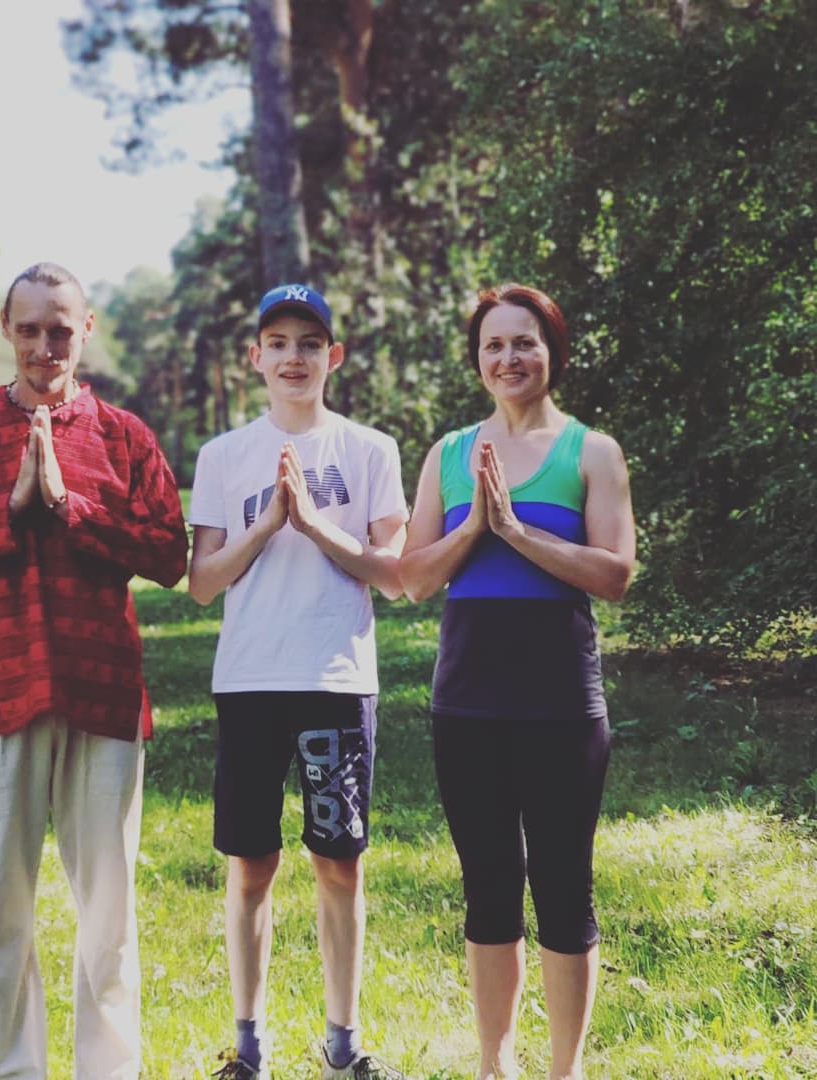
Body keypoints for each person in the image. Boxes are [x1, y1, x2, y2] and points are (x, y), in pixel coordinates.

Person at [0, 262, 188, 1080]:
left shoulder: (125, 437)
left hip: (102, 694)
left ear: (87, 329)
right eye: (29, 329)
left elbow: (169, 553)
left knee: (109, 923)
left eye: (60, 329)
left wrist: (68, 506)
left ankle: (108, 1071)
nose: (45, 346)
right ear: (5, 328)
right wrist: (6, 511)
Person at [399, 284, 635, 1080]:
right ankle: (494, 1066)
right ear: (477, 360)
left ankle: (564, 1070)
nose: (509, 358)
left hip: (562, 704)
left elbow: (614, 574)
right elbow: (413, 578)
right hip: (467, 704)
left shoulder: (592, 452)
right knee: (489, 887)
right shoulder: (449, 454)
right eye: (493, 345)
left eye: (524, 342)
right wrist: (474, 526)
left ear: (552, 351)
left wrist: (515, 530)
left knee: (565, 887)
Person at [187, 284, 411, 1080]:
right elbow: (202, 583)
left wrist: (314, 526)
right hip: (251, 680)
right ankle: (248, 1046)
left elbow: (396, 575)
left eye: (309, 344)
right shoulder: (223, 456)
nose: (294, 357)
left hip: (334, 678)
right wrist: (265, 526)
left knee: (338, 862)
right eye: (278, 343)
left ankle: (343, 1044)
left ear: (333, 356)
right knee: (251, 865)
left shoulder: (369, 450)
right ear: (256, 357)